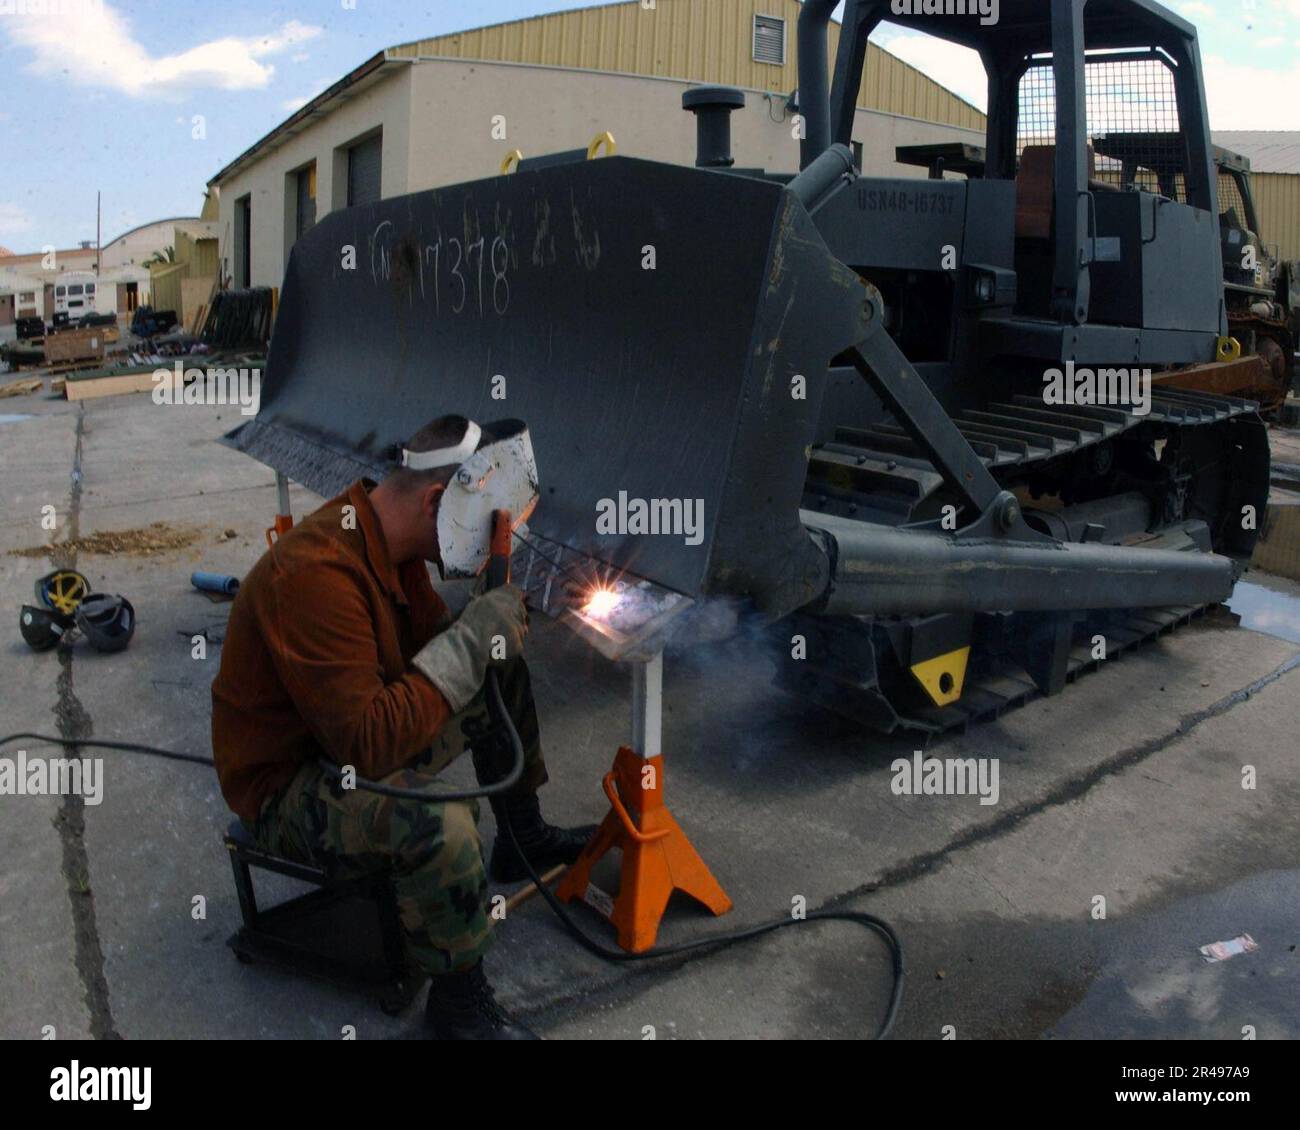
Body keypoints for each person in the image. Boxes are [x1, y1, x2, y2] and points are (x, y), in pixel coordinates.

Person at [211, 415, 593, 1040]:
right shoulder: (313, 574)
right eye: (479, 530)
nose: (480, 548)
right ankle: (459, 1004)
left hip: (351, 736)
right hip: (289, 785)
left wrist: (484, 634)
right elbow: (368, 745)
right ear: (438, 503)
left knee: (498, 666)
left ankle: (522, 838)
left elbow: (430, 652)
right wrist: (471, 638)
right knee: (438, 822)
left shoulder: (393, 544)